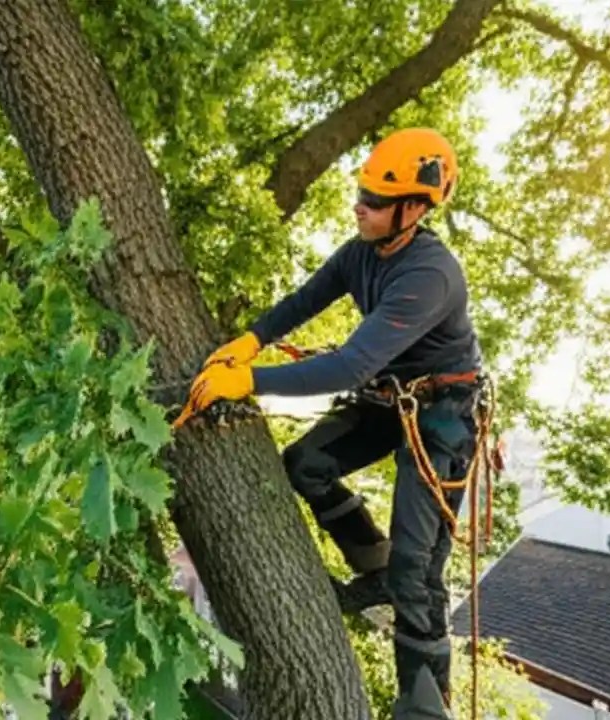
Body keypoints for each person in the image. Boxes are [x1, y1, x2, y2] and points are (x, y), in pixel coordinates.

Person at [173, 127, 483, 719]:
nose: (359, 206)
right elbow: (305, 300)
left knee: (419, 574)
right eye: (361, 193)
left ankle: (424, 708)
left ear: (414, 209)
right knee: (306, 464)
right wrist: (251, 339)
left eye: (374, 201)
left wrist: (252, 380)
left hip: (442, 415)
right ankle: (375, 569)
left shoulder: (430, 275)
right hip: (389, 399)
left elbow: (350, 364)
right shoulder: (361, 254)